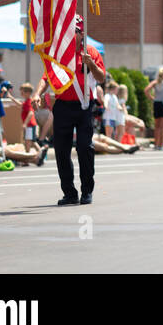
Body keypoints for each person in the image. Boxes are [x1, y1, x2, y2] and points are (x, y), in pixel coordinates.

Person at [32, 17, 106, 205]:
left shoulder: (90, 52)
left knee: (84, 147)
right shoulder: (58, 54)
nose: (70, 36)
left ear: (82, 34)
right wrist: (37, 94)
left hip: (84, 105)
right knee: (62, 151)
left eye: (74, 32)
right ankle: (69, 193)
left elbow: (101, 78)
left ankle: (87, 191)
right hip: (63, 105)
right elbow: (46, 77)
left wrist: (91, 64)